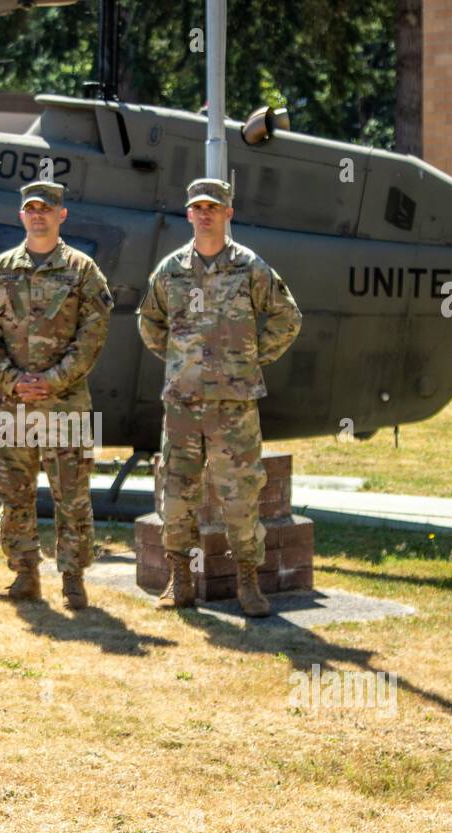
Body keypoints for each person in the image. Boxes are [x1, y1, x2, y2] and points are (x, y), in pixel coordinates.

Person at [138, 177, 302, 617]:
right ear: (188, 214)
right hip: (183, 403)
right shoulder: (170, 270)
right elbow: (149, 323)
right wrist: (179, 360)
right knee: (176, 493)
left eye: (214, 207)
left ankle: (248, 581)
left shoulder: (250, 268)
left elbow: (288, 318)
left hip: (234, 405)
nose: (205, 213)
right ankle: (180, 579)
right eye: (198, 207)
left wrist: (248, 360)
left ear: (229, 213)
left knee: (241, 496)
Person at [0, 181, 112, 610]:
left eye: (46, 209)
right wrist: (12, 380)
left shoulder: (83, 270)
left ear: (61, 215)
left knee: (72, 496)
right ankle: (25, 574)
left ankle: (73, 578)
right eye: (31, 209)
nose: (38, 215)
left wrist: (52, 380)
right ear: (21, 215)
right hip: (9, 403)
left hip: (68, 404)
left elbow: (93, 336)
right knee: (13, 494)